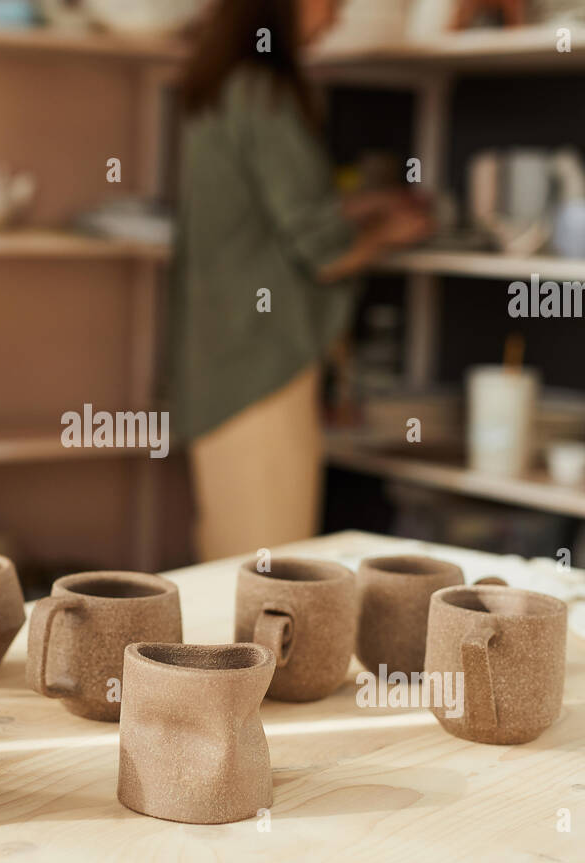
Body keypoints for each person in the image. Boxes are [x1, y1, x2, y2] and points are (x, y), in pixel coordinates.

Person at [169, 0, 432, 560]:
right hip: (263, 367)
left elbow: (268, 214)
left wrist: (360, 205)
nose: (336, 15)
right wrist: (391, 228)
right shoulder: (265, 92)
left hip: (219, 360)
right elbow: (324, 249)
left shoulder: (222, 86)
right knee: (271, 569)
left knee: (229, 558)